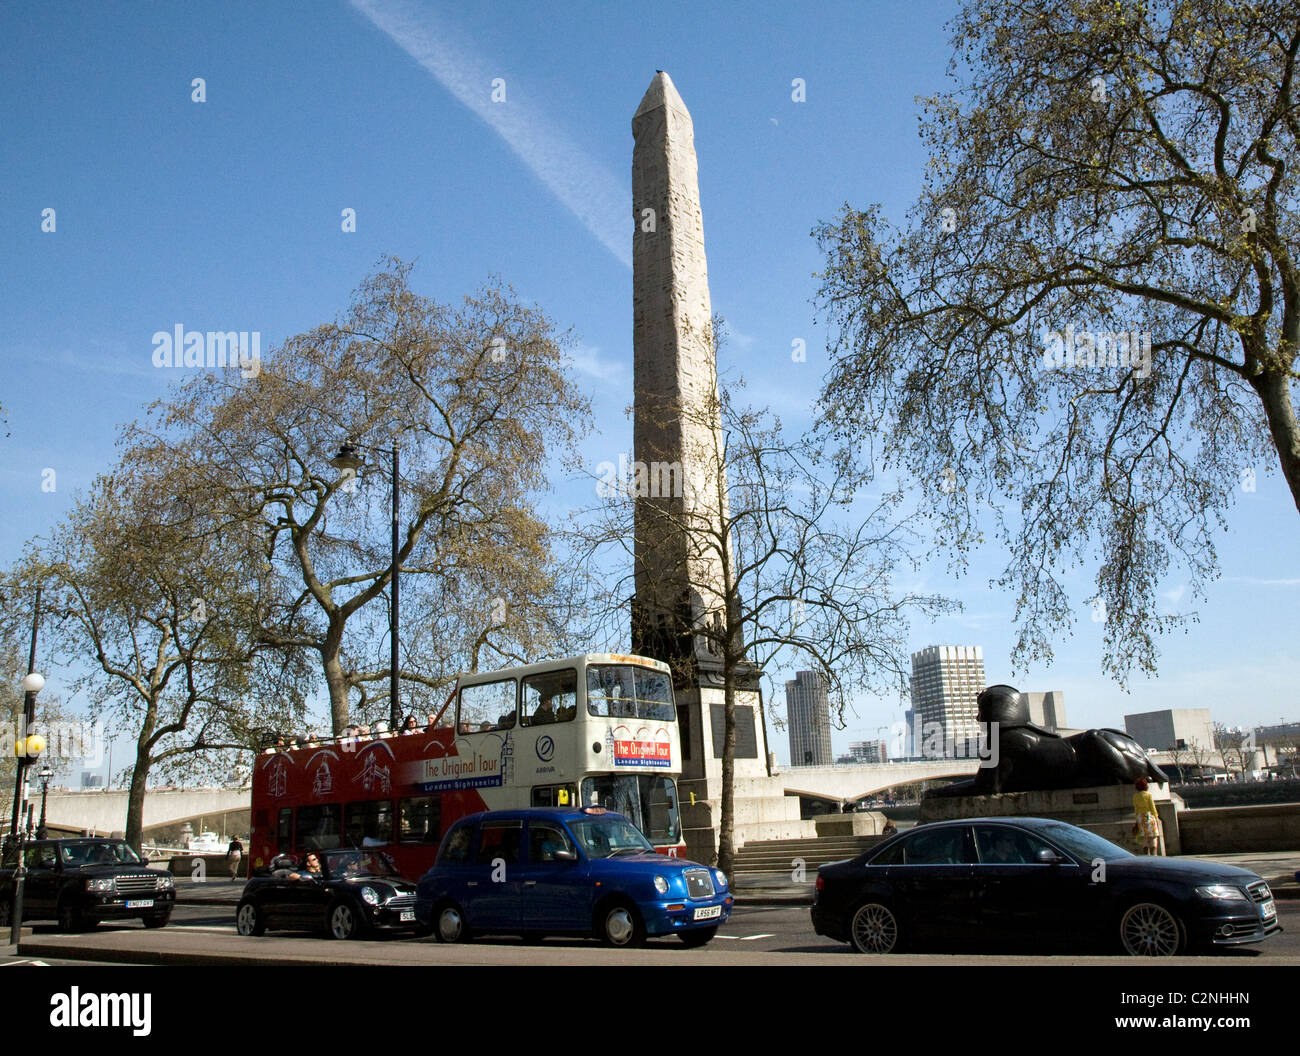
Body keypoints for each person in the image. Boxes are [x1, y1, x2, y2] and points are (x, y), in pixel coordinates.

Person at [1132, 777, 1163, 855]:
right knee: (1153, 836)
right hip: (1149, 817)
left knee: (1144, 837)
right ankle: (1153, 853)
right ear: (1146, 786)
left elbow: (1136, 809)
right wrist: (1156, 817)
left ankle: (1146, 853)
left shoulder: (1135, 796)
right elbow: (1152, 807)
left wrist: (1137, 820)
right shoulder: (1148, 795)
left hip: (1140, 818)